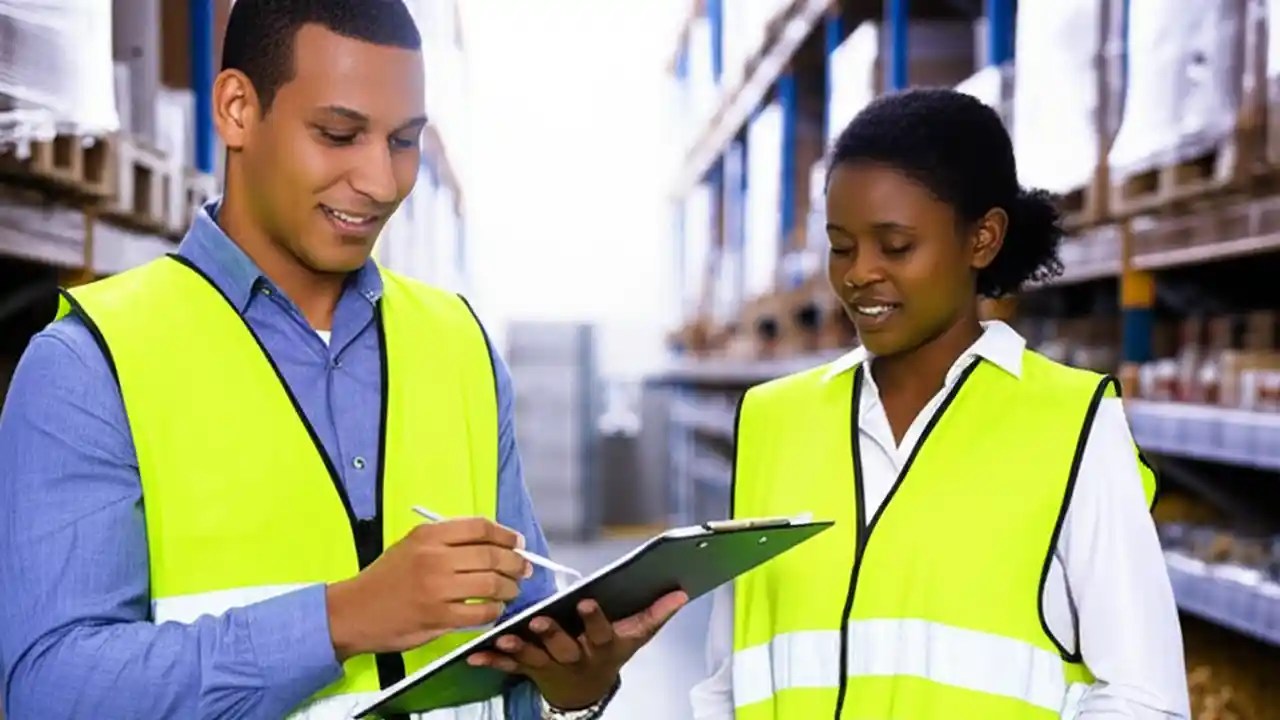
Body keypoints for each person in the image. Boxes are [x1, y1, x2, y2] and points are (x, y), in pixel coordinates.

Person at [0, 1, 685, 718]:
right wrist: (342, 618)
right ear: (236, 110)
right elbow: (55, 693)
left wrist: (573, 692)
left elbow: (521, 647)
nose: (382, 182)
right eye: (338, 134)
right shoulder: (90, 365)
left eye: (404, 141)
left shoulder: (459, 344)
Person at [689, 88, 1190, 719]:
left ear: (982, 239)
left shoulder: (1071, 425)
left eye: (895, 246)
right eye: (841, 246)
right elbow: (728, 681)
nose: (858, 272)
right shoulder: (773, 421)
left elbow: (1144, 697)